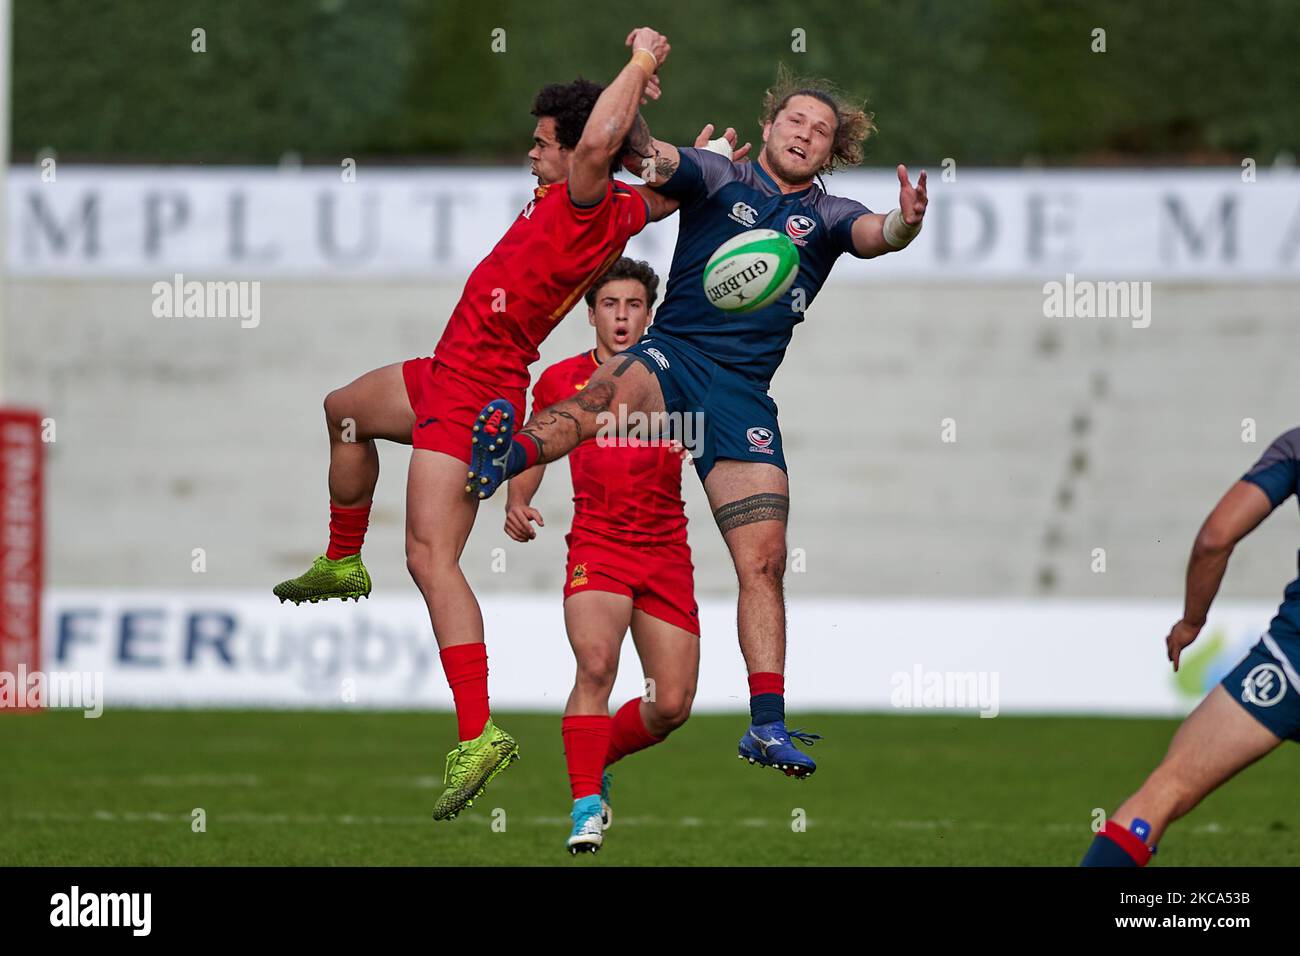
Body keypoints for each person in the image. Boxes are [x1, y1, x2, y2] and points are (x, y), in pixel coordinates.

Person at [468, 64, 928, 778]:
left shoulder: (831, 217)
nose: (806, 134)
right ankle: (502, 456)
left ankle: (766, 726)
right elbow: (651, 158)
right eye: (796, 121)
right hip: (673, 356)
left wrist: (906, 221)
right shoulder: (719, 177)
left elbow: (877, 234)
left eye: (822, 132)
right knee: (597, 405)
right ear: (769, 126)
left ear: (832, 153)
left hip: (742, 396)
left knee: (765, 561)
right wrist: (635, 101)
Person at [272, 27, 674, 821]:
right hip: (446, 367)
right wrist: (663, 144)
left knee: (430, 558)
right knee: (344, 412)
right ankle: (344, 559)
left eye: (541, 144)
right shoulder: (612, 203)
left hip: (474, 388)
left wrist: (640, 61)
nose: (532, 155)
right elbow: (659, 177)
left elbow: (602, 143)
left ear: (575, 153)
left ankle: (476, 733)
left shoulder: (586, 200)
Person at [506, 257, 699, 854]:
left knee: (670, 705)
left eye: (634, 305)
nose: (621, 316)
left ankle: (596, 755)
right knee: (595, 667)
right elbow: (537, 446)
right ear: (590, 314)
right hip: (598, 546)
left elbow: (717, 440)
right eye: (610, 305)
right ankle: (586, 805)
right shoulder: (563, 379)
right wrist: (517, 499)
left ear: (649, 314)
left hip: (667, 552)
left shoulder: (677, 379)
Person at [1082, 428, 1300, 866]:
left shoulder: (1295, 445)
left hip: (1291, 662)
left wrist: (1192, 621)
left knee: (1167, 788)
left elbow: (1214, 539)